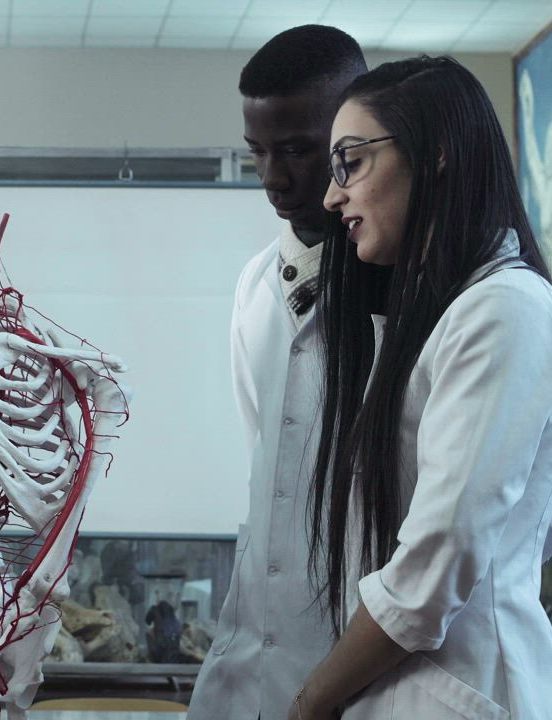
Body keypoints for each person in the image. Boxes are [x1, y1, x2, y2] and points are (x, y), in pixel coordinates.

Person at [291, 55, 552, 720]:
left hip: (470, 688)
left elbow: (441, 559)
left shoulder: (506, 308)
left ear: (440, 155)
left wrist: (312, 701)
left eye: (351, 163)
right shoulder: (450, 315)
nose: (332, 196)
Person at [187, 25, 366, 720]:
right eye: (257, 152)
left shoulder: (414, 291)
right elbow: (271, 458)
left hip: (360, 662)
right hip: (255, 663)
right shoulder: (255, 287)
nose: (273, 179)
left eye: (297, 150)